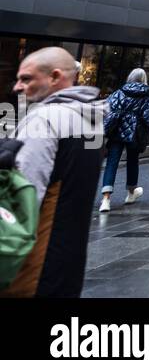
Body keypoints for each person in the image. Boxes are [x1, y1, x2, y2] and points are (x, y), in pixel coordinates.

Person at [2, 47, 104, 298]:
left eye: (26, 78)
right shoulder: (93, 119)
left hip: (33, 264)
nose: (17, 87)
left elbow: (22, 195)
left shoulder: (44, 119)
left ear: (55, 77)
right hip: (70, 259)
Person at [98, 68, 149, 213]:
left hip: (117, 132)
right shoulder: (147, 95)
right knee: (133, 161)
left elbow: (107, 108)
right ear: (144, 79)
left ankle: (106, 199)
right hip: (136, 133)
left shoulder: (119, 92)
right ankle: (131, 193)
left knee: (112, 162)